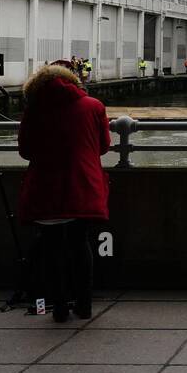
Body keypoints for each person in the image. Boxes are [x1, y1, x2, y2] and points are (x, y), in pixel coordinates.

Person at [17, 63, 110, 322]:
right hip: (84, 186)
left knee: (51, 249)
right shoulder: (93, 106)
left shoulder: (34, 110)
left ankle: (58, 307)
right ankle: (84, 305)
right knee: (81, 245)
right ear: (72, 81)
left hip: (46, 189)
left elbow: (25, 151)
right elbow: (103, 147)